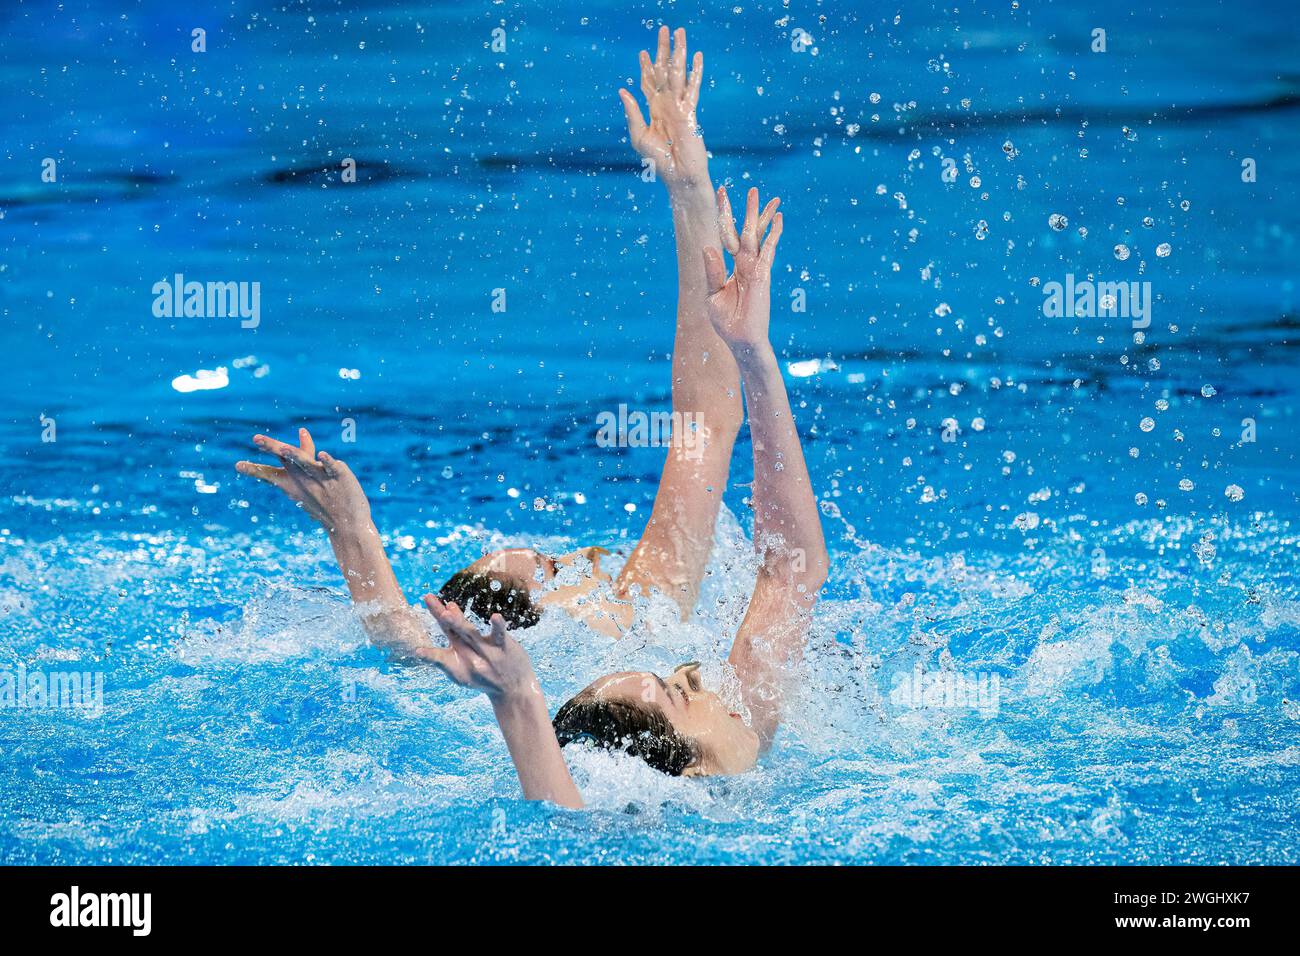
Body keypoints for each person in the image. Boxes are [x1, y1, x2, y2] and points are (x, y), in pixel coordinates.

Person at [235, 27, 827, 809]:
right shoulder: (630, 648)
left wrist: (692, 196)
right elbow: (416, 647)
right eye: (549, 575)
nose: (576, 557)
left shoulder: (663, 642)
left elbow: (709, 436)